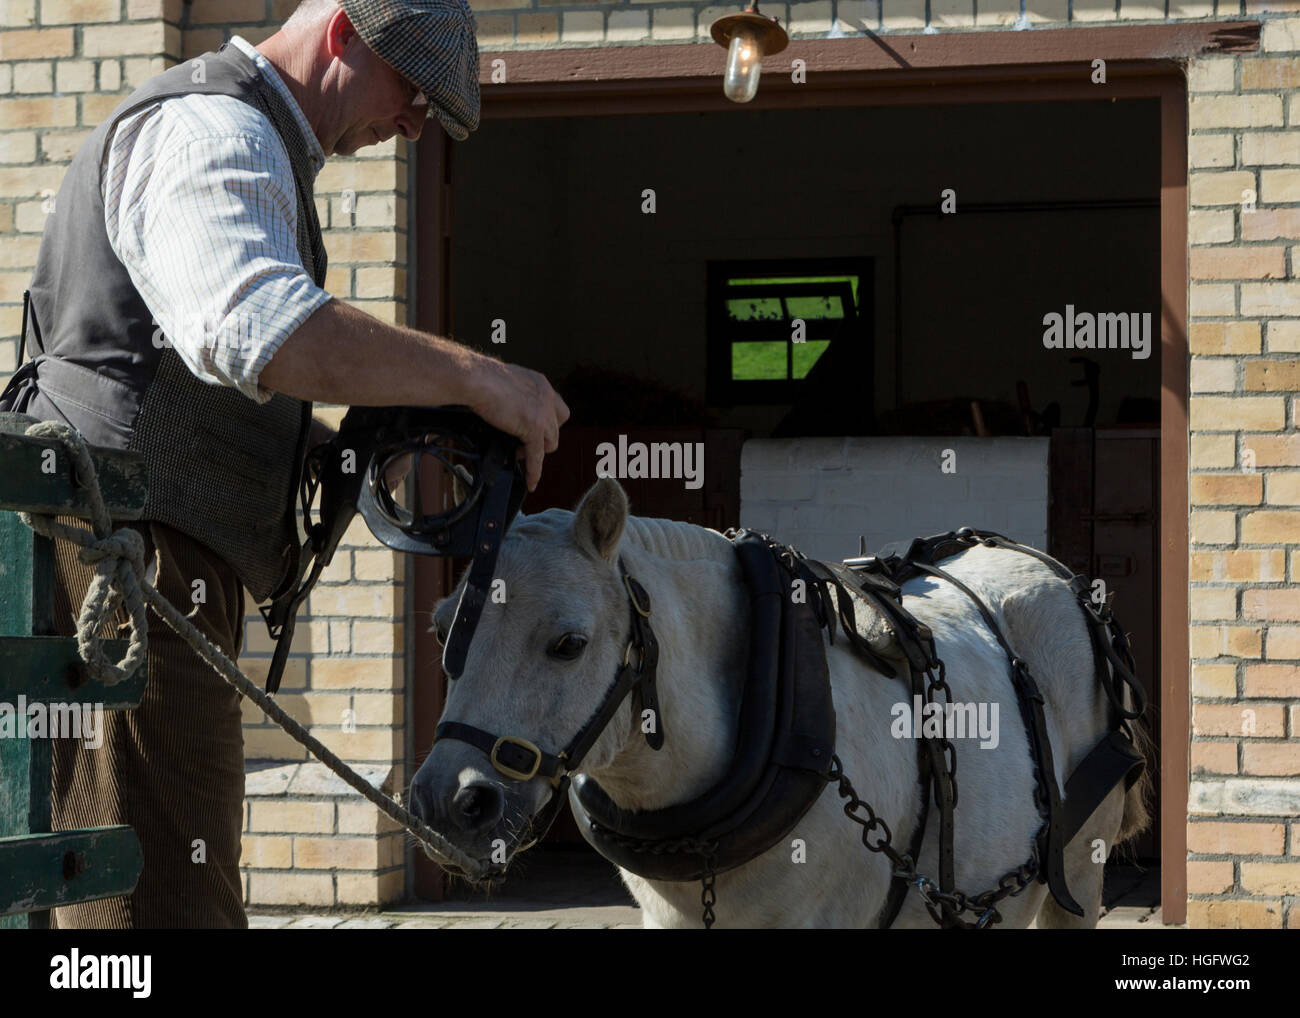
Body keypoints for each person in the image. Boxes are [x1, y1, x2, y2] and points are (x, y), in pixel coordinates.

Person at [0, 0, 568, 928]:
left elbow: (205, 360)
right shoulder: (212, 127)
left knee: (141, 894)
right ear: (341, 33)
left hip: (146, 559)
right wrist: (481, 380)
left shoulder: (249, 139)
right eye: (411, 90)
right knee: (153, 912)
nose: (413, 122)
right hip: (116, 562)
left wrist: (308, 443)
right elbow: (254, 328)